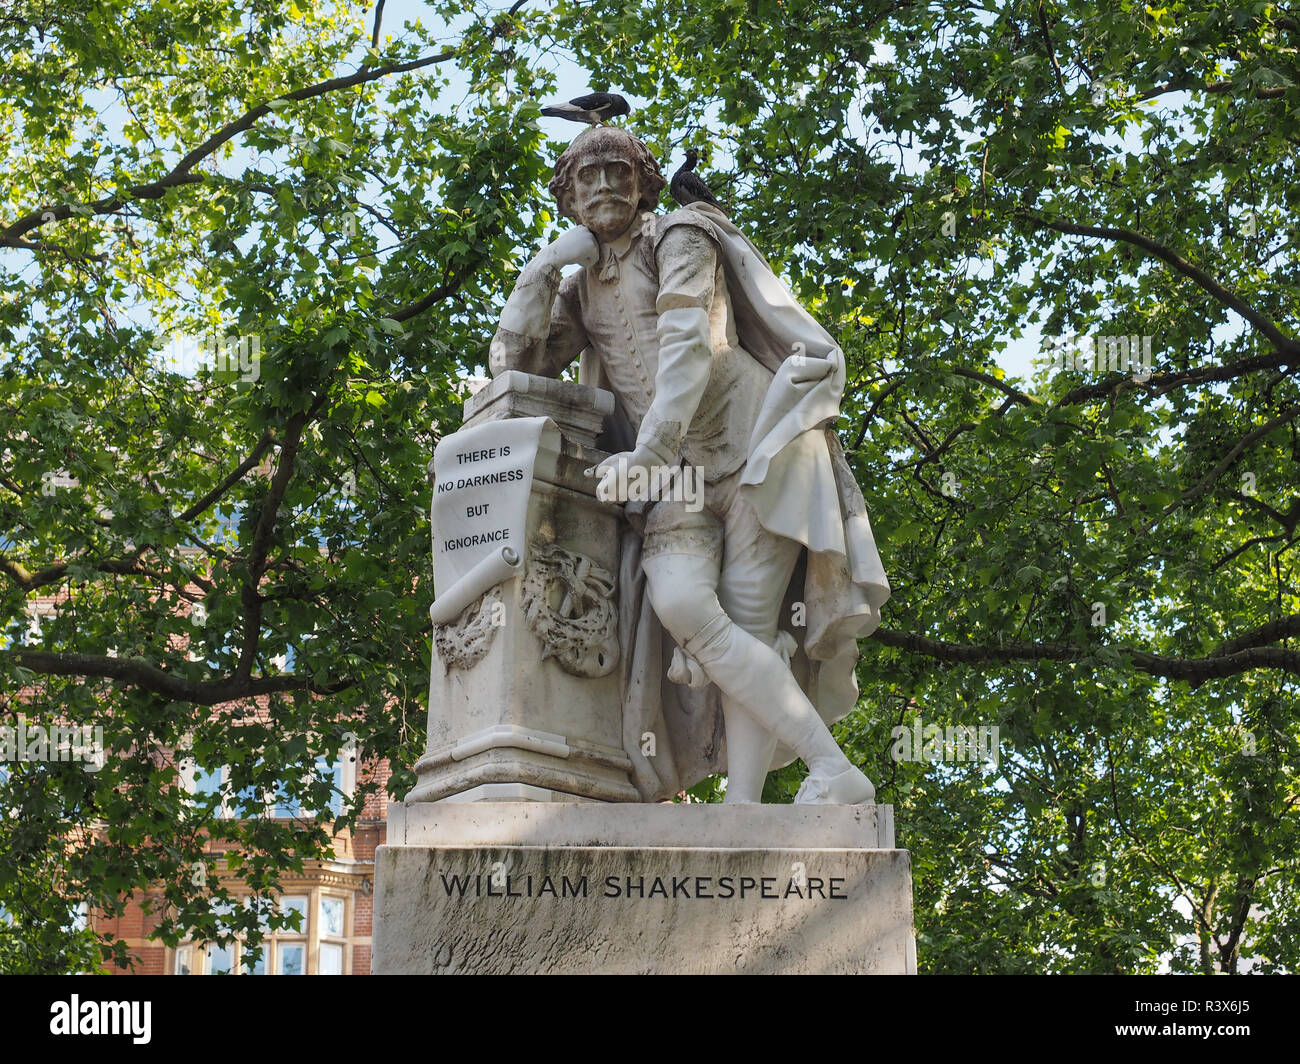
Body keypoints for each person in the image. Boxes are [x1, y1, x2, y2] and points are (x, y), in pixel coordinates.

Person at [488, 126, 890, 803]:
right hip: (672, 477)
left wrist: (649, 452)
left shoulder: (681, 236)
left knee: (749, 621)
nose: (605, 187)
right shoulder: (581, 285)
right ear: (569, 198)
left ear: (645, 180)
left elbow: (688, 343)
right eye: (587, 179)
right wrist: (542, 269)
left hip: (754, 449)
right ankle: (835, 770)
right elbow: (513, 367)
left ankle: (749, 808)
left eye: (619, 172)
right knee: (681, 602)